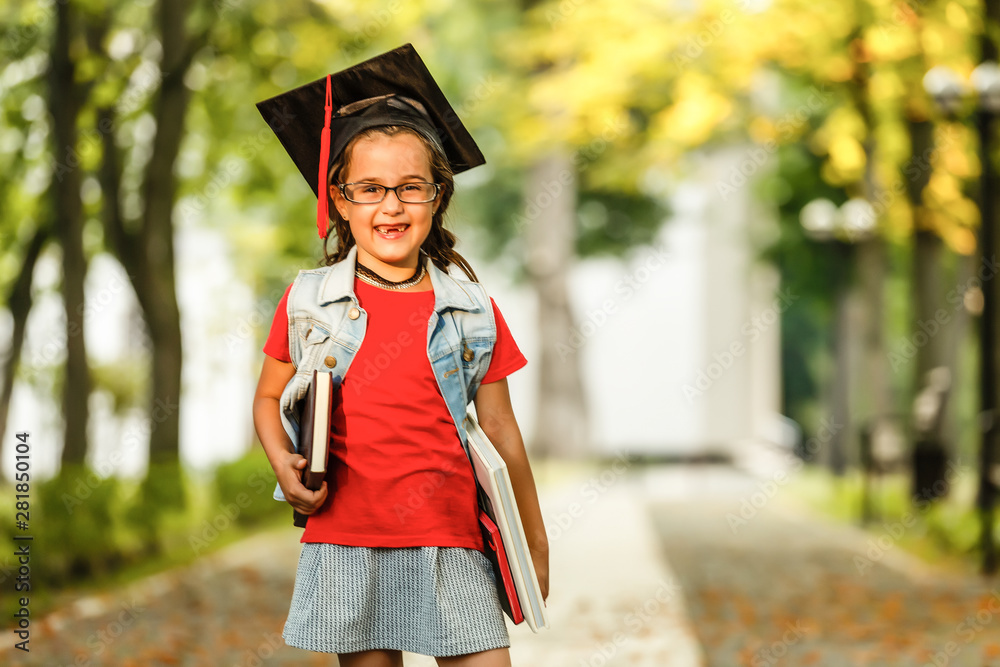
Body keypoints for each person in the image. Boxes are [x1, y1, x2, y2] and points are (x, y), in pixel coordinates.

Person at [251, 44, 549, 667]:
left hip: (452, 541)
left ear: (438, 196)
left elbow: (501, 430)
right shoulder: (311, 301)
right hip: (348, 542)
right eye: (371, 189)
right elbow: (269, 397)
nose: (392, 205)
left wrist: (535, 540)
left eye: (411, 187)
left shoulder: (472, 309)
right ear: (339, 198)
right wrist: (283, 462)